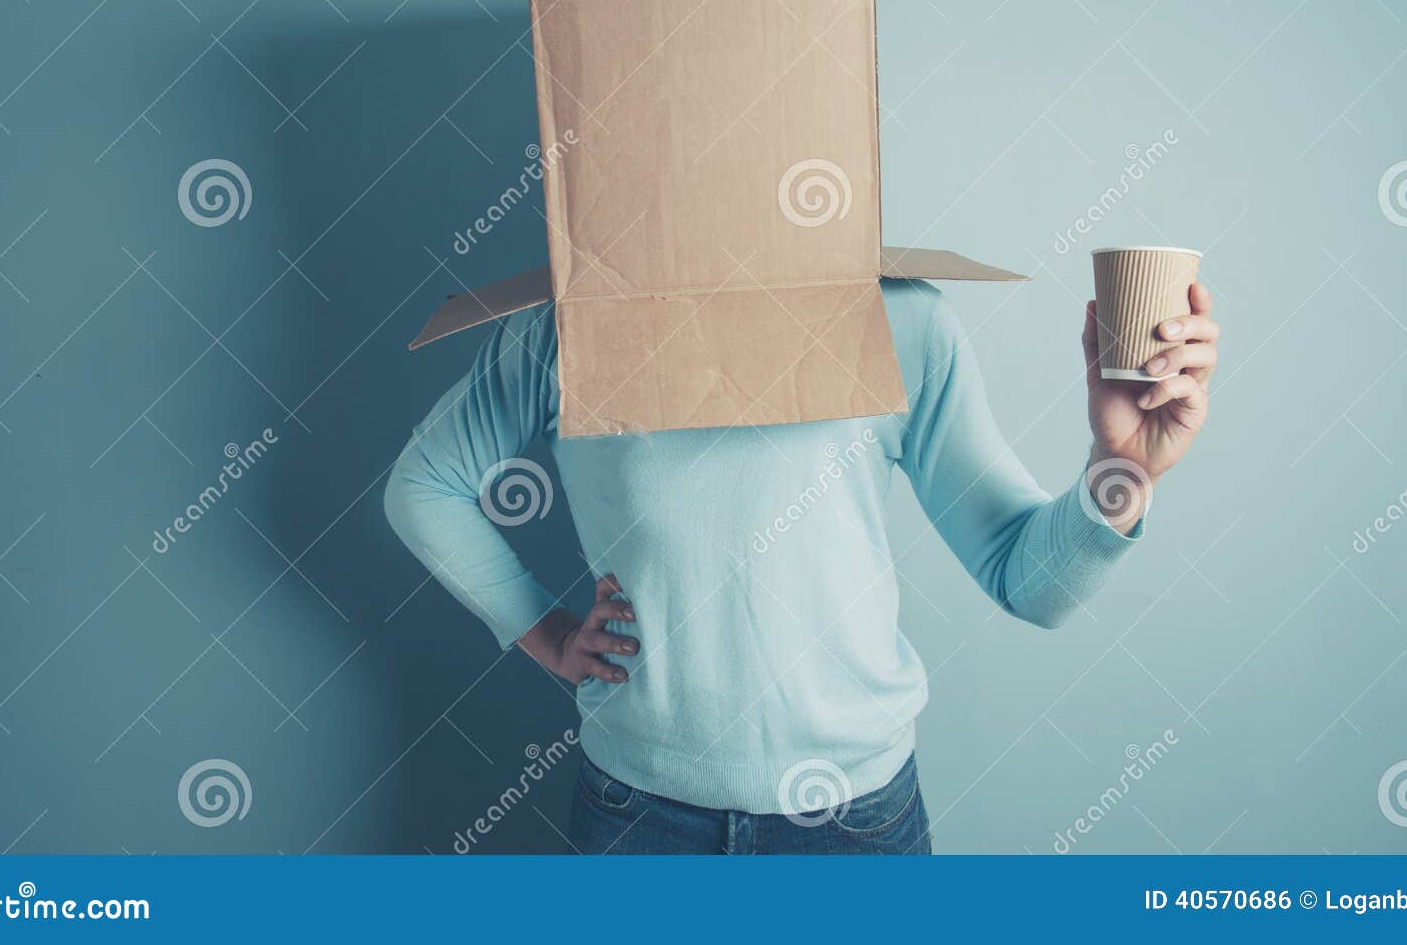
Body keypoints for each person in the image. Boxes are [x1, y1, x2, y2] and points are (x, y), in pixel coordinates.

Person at [384, 279, 1220, 854]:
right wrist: (550, 633)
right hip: (639, 819)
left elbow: (1028, 582)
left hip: (855, 826)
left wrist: (1126, 468)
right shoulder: (570, 323)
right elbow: (423, 486)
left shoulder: (900, 318)